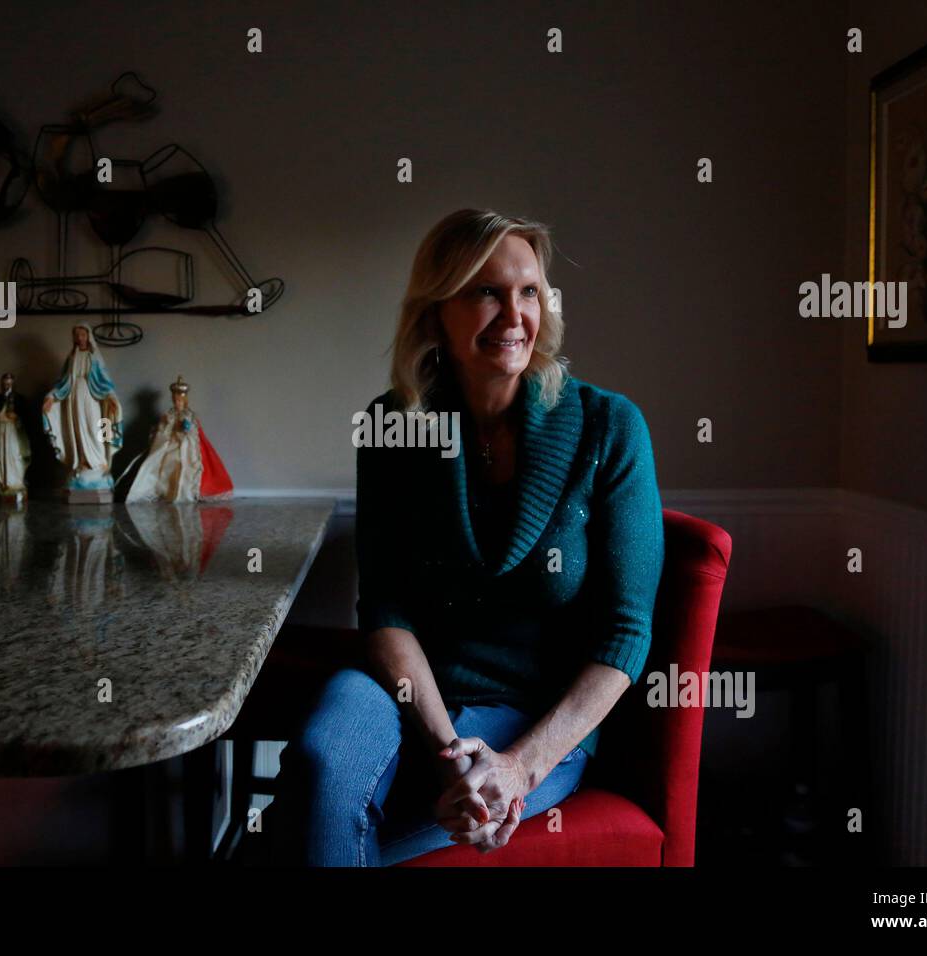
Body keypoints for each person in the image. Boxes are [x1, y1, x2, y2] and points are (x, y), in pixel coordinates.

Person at [263, 208, 665, 866]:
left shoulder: (610, 427)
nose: (514, 316)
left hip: (531, 715)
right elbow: (386, 607)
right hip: (398, 691)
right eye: (485, 292)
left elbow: (625, 635)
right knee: (319, 765)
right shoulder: (393, 424)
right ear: (436, 310)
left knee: (302, 836)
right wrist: (447, 749)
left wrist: (517, 770)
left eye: (529, 291)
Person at [42, 325, 124, 499]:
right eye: (77, 335)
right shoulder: (71, 357)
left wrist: (111, 397)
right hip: (73, 399)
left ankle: (99, 462)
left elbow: (104, 381)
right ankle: (82, 462)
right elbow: (63, 382)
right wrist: (50, 397)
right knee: (78, 432)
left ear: (88, 335)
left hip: (92, 397)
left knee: (96, 429)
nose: (80, 337)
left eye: (83, 334)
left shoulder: (94, 357)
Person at [126, 376, 233, 503]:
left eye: (179, 400)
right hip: (171, 443)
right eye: (175, 400)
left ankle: (186, 491)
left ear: (184, 400)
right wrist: (163, 427)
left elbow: (194, 430)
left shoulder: (189, 415)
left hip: (186, 445)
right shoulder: (169, 414)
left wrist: (186, 427)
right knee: (168, 465)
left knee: (185, 465)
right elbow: (163, 429)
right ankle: (167, 491)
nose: (177, 403)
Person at [0, 372, 30, 501]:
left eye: (9, 383)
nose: (7, 385)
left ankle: (17, 483)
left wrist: (17, 417)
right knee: (2, 456)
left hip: (14, 432)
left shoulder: (20, 399)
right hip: (1, 432)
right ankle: (4, 483)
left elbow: (27, 416)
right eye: (5, 383)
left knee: (15, 455)